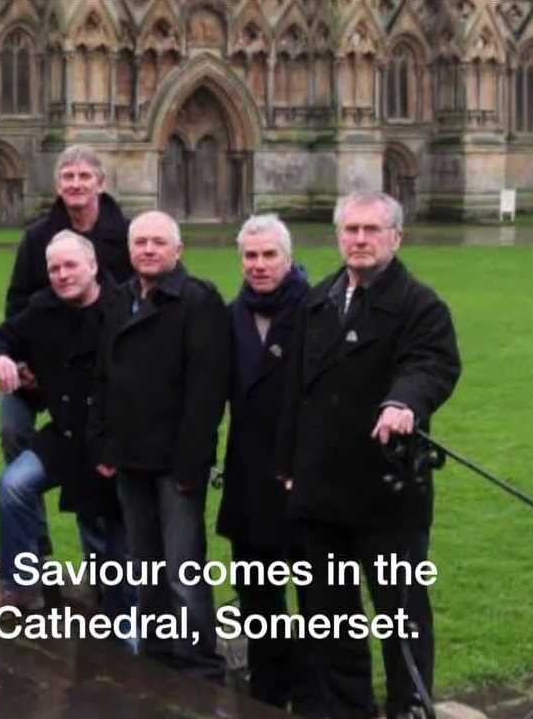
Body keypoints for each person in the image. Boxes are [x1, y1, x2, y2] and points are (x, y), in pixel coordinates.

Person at [277, 191, 461, 719]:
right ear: (339, 237)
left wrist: (405, 401)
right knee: (331, 621)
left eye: (371, 230)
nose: (359, 239)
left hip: (388, 495)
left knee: (400, 619)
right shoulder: (317, 302)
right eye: (351, 230)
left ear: (395, 238)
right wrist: (287, 467)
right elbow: (296, 393)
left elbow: (432, 364)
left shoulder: (420, 306)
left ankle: (408, 708)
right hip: (321, 496)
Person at [92, 210, 230, 672]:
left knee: (182, 570)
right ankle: (157, 658)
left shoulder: (198, 300)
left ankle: (198, 666)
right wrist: (107, 445)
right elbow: (105, 377)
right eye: (140, 243)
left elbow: (206, 389)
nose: (148, 250)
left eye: (158, 242)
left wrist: (192, 462)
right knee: (145, 563)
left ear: (178, 250)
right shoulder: (120, 298)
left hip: (176, 460)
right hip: (130, 457)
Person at [0, 230, 133, 616]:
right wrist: (0, 358)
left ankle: (119, 615)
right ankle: (20, 588)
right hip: (65, 435)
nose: (62, 275)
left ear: (93, 266)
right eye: (54, 268)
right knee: (13, 485)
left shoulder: (124, 309)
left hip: (112, 439)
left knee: (110, 532)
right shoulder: (44, 308)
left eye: (71, 266)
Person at [215, 214, 319, 714]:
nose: (258, 265)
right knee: (258, 596)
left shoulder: (318, 312)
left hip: (304, 476)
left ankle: (316, 689)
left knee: (318, 598)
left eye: (268, 255)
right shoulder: (233, 314)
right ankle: (268, 690)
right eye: (250, 256)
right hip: (250, 475)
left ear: (289, 257)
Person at [0, 145, 132, 464]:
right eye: (68, 177)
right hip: (42, 357)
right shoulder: (37, 237)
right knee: (12, 431)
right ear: (58, 186)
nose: (76, 184)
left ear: (101, 183)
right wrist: (20, 363)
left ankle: (95, 511)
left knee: (97, 441)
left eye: (84, 176)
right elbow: (17, 301)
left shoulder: (127, 236)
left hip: (99, 365)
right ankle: (25, 501)